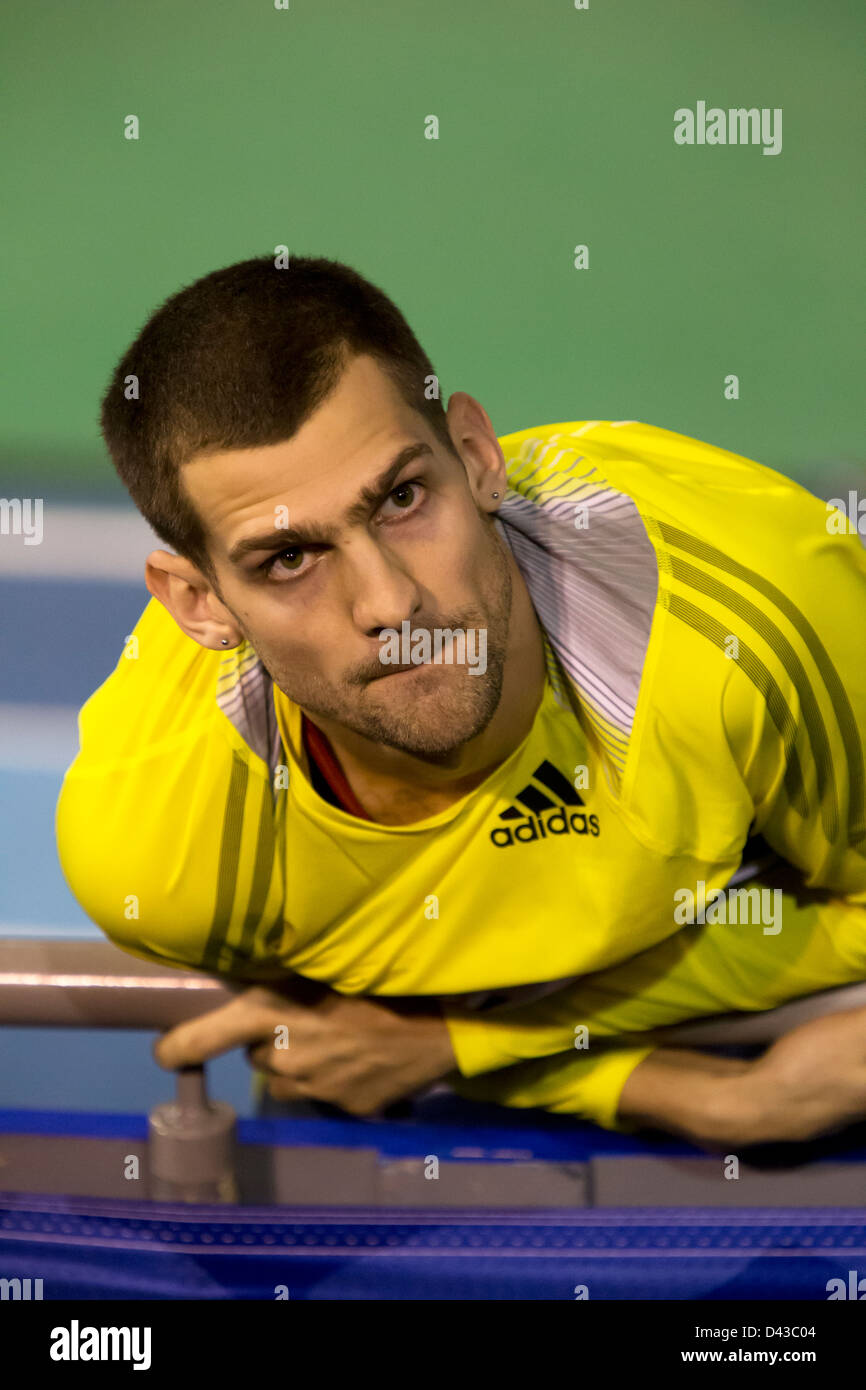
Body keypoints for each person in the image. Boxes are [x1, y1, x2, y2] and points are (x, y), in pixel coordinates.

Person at [56, 255, 866, 1150]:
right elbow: (348, 1052)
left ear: (478, 459)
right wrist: (668, 1092)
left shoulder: (754, 630)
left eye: (403, 498)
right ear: (200, 605)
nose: (390, 604)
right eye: (289, 559)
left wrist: (461, 1043)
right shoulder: (167, 848)